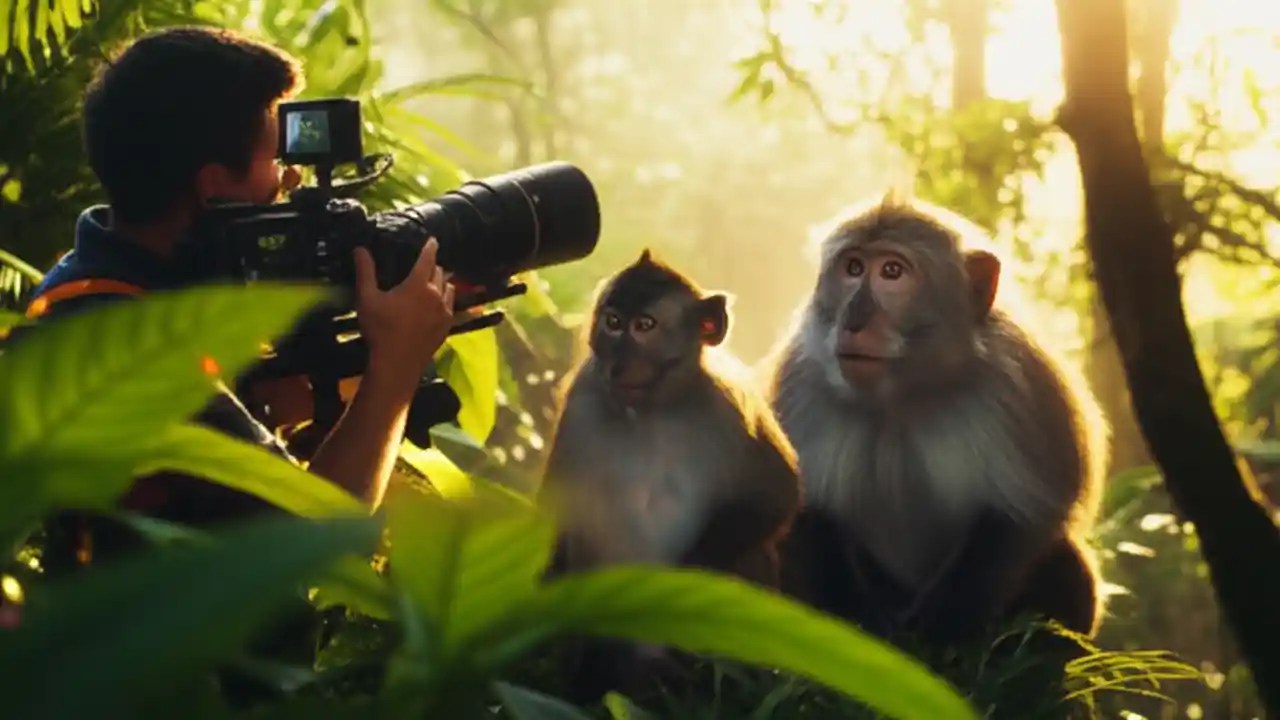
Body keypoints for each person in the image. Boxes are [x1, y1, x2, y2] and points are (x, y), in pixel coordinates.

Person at [16, 26, 456, 566]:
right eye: (275, 158)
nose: (290, 178)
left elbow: (227, 439)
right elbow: (307, 534)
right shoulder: (132, 353)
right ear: (213, 185)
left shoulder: (98, 286)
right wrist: (396, 366)